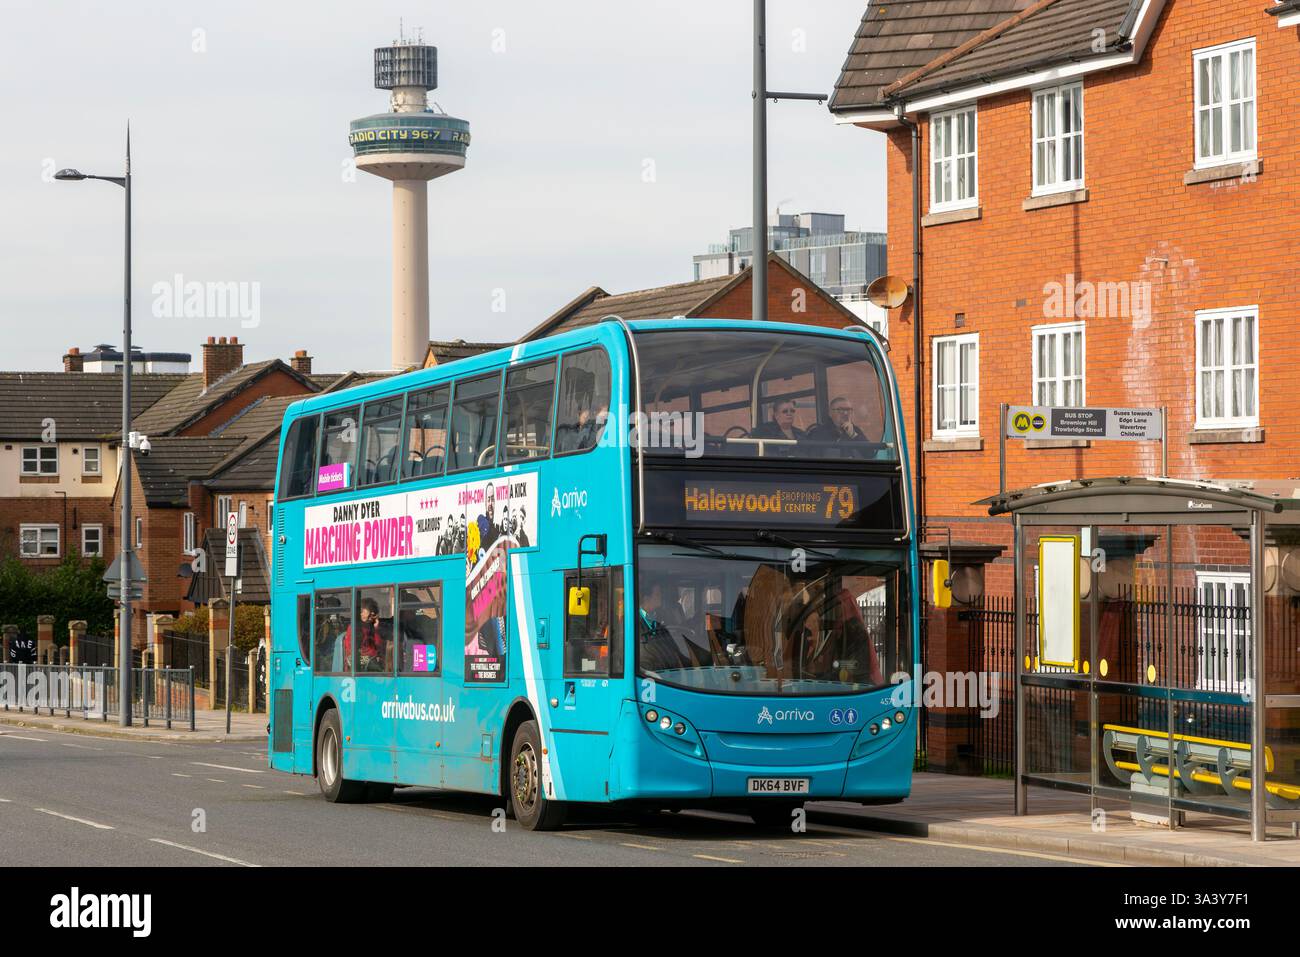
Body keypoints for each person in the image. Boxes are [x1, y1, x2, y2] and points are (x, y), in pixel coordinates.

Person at [344, 597, 391, 672]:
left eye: (363, 612)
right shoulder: (354, 627)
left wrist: (376, 629)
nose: (361, 614)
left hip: (372, 662)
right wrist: (375, 656)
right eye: (361, 612)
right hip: (357, 663)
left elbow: (379, 646)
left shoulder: (373, 627)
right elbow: (352, 650)